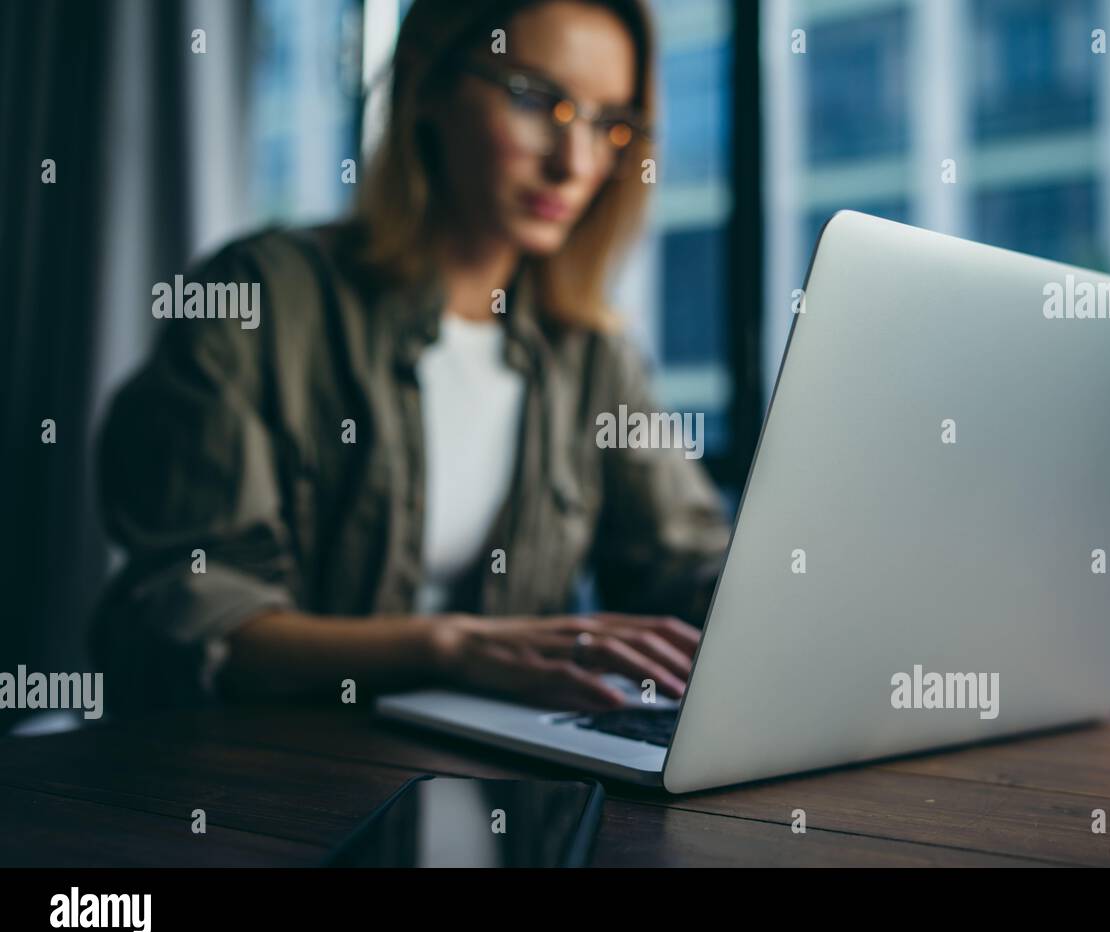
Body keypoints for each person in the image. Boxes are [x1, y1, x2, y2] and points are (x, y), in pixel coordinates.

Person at [91, 0, 732, 714]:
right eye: (535, 98)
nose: (574, 163)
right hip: (267, 777)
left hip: (500, 780)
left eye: (609, 123)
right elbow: (190, 616)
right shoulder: (262, 296)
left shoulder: (592, 354)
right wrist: (449, 648)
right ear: (427, 84)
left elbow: (684, 565)